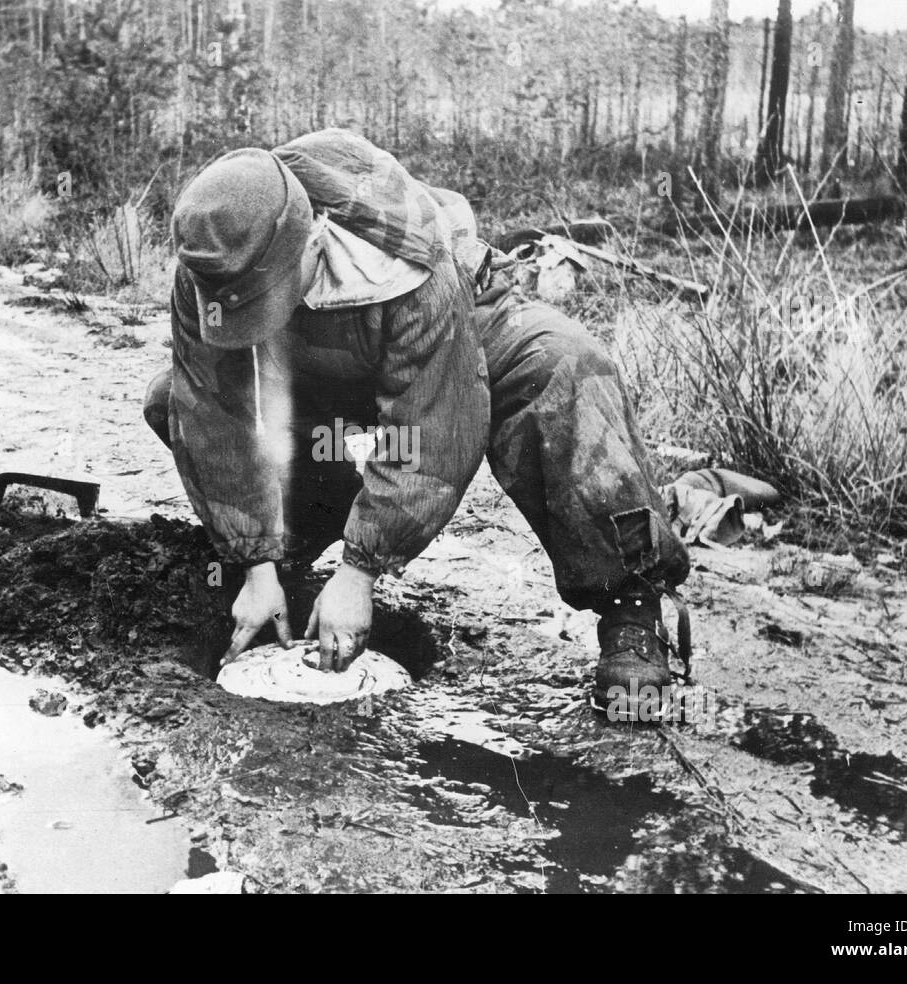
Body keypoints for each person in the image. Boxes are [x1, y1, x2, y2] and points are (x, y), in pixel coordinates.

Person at [143, 129, 692, 720]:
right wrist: (256, 562)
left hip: (463, 331)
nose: (248, 312)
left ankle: (630, 606)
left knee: (565, 367)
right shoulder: (215, 260)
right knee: (168, 397)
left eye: (262, 299)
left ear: (312, 241)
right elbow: (212, 415)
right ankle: (297, 539)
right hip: (316, 370)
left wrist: (361, 569)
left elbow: (429, 428)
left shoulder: (405, 257)